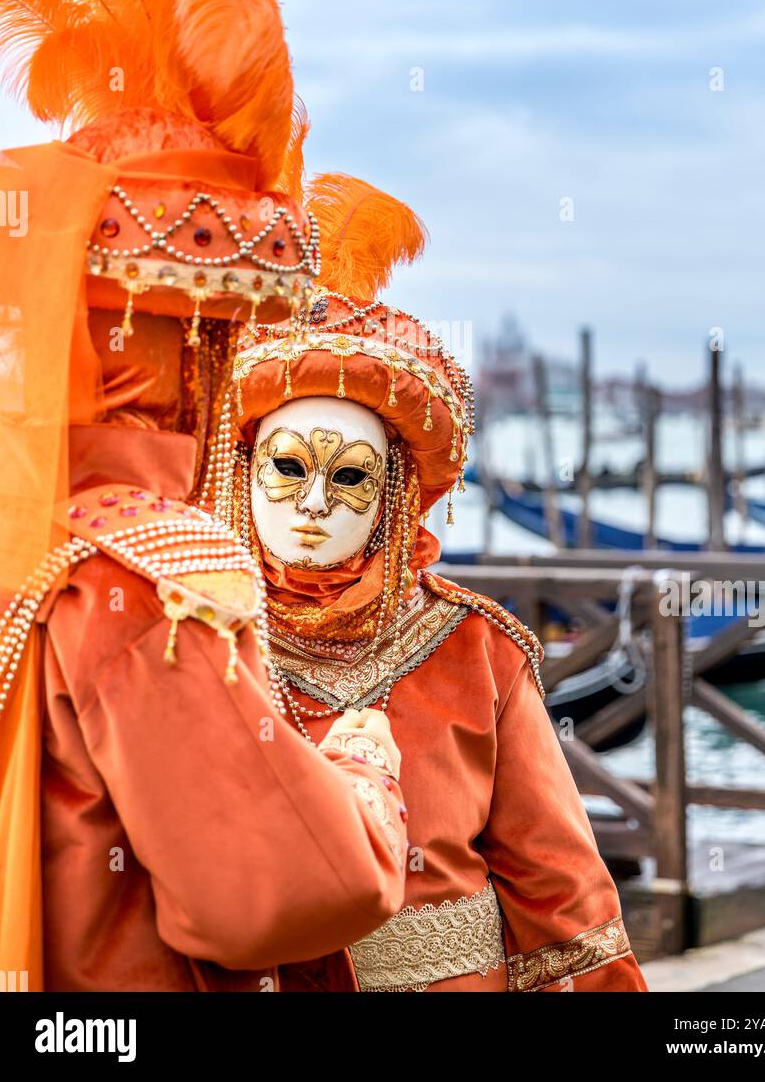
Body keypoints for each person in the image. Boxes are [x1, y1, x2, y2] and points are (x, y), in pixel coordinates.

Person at [0, 0, 407, 992]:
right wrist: (362, 774)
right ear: (197, 345)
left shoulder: (19, 544)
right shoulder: (154, 571)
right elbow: (273, 892)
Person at [226, 177, 649, 992]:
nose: (313, 503)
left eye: (348, 476)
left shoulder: (477, 651)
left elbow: (562, 893)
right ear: (240, 471)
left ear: (394, 495)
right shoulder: (195, 641)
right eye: (286, 467)